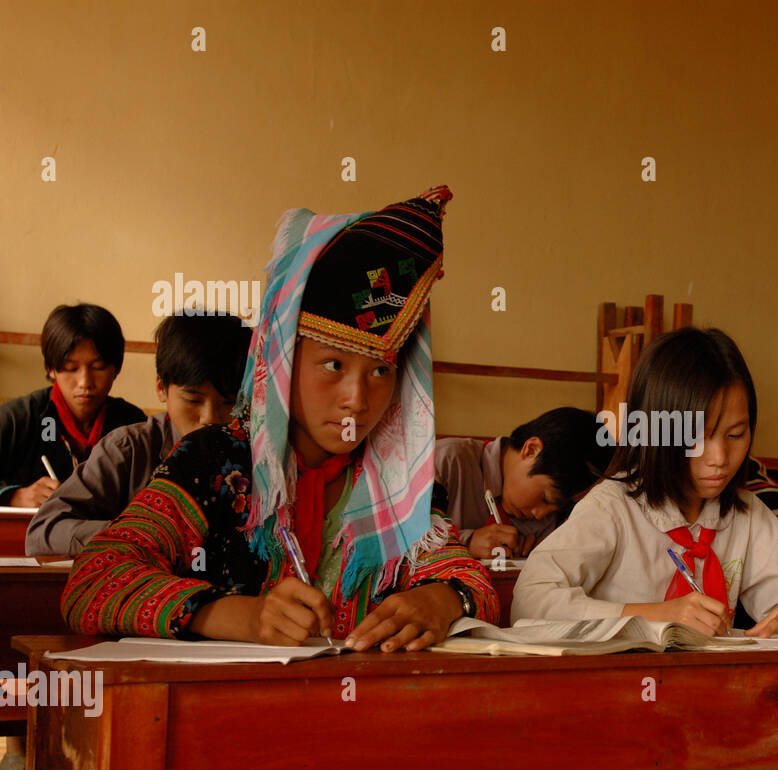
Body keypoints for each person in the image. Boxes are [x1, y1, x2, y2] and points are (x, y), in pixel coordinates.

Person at [61, 187, 497, 649]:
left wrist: (443, 601)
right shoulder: (215, 462)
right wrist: (232, 615)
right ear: (283, 358)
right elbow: (92, 582)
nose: (357, 399)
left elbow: (471, 581)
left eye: (380, 371)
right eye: (333, 365)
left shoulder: (398, 483)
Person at [510, 327, 778, 637]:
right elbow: (530, 599)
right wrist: (651, 616)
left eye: (735, 434)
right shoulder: (613, 508)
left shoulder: (746, 516)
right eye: (696, 438)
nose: (719, 457)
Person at [26, 313, 252, 555]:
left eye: (229, 402)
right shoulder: (130, 450)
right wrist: (138, 536)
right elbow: (43, 531)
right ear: (161, 388)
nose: (209, 418)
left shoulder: (262, 453)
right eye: (192, 399)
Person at [0, 304, 146, 507]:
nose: (85, 382)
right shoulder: (16, 420)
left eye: (98, 367)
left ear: (116, 368)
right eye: (71, 368)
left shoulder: (133, 425)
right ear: (51, 369)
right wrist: (11, 497)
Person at [437, 407, 612, 560]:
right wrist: (465, 544)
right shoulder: (446, 462)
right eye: (545, 499)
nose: (540, 514)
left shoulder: (551, 520)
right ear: (531, 450)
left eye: (555, 509)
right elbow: (409, 545)